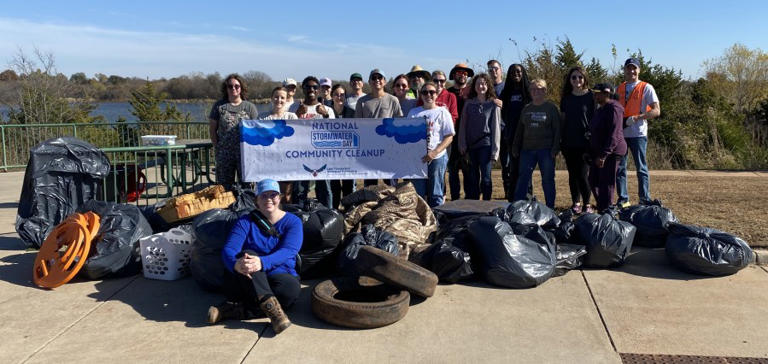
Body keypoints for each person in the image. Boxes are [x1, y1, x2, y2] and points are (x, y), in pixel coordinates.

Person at [208, 179, 302, 335]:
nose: (269, 199)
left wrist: (262, 262)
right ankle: (273, 311)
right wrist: (235, 264)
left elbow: (289, 250)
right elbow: (229, 249)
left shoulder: (293, 222)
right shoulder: (245, 221)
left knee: (290, 290)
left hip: (278, 273)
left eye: (273, 195)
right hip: (248, 277)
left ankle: (231, 310)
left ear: (280, 197)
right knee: (248, 255)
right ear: (256, 200)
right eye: (263, 196)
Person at [616, 57, 660, 207]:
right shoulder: (619, 88)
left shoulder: (646, 87)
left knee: (641, 168)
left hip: (638, 134)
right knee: (620, 168)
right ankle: (623, 200)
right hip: (621, 134)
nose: (631, 71)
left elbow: (656, 111)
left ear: (639, 70)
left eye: (634, 68)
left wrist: (637, 118)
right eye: (628, 68)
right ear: (624, 70)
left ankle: (644, 199)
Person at [510, 79, 561, 209]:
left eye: (539, 89)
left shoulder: (551, 108)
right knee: (523, 178)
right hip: (527, 150)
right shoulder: (526, 109)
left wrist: (555, 148)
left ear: (545, 91)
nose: (536, 92)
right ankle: (518, 207)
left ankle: (550, 207)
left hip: (546, 150)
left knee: (548, 179)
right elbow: (519, 130)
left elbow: (557, 130)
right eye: (533, 89)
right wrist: (515, 146)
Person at [407, 82, 455, 207]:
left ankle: (437, 216)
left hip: (437, 157)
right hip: (417, 159)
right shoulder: (413, 113)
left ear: (436, 94)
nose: (428, 95)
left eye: (432, 92)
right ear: (421, 95)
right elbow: (408, 136)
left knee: (436, 192)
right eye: (425, 92)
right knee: (418, 193)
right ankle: (421, 217)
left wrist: (434, 152)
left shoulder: (442, 112)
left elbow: (449, 136)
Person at [209, 74, 259, 190]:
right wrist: (217, 147)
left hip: (245, 154)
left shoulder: (250, 107)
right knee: (224, 187)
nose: (233, 88)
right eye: (230, 86)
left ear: (241, 88)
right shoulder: (219, 106)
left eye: (237, 86)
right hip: (225, 153)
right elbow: (212, 129)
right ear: (226, 88)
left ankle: (246, 202)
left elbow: (256, 129)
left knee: (247, 186)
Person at [356, 69, 403, 187]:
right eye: (374, 78)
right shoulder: (362, 101)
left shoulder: (393, 100)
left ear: (385, 81)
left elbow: (399, 123)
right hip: (370, 149)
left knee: (391, 185)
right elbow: (357, 125)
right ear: (369, 82)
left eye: (380, 78)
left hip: (389, 149)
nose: (377, 80)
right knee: (370, 186)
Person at [294, 76, 335, 208]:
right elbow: (288, 130)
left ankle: (327, 214)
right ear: (303, 89)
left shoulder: (327, 110)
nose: (311, 89)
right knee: (300, 189)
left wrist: (325, 116)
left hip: (321, 154)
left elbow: (334, 132)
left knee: (325, 189)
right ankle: (299, 215)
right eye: (308, 87)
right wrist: (297, 114)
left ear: (319, 90)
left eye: (315, 87)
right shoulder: (295, 108)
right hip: (301, 154)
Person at [458, 73, 501, 200]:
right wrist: (462, 144)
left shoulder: (493, 104)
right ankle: (474, 204)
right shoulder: (469, 103)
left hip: (486, 145)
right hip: (471, 146)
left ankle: (486, 203)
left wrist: (495, 151)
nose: (481, 86)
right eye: (478, 84)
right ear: (474, 86)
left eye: (483, 83)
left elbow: (496, 128)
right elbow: (463, 126)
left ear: (488, 85)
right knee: (473, 177)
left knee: (486, 178)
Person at [560, 66, 595, 214]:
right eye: (573, 77)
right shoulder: (566, 98)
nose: (577, 80)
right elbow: (563, 120)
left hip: (586, 143)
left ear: (585, 78)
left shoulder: (592, 96)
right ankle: (576, 202)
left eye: (580, 77)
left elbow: (596, 119)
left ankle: (587, 203)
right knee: (572, 175)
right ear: (570, 80)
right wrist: (560, 140)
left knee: (583, 175)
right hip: (569, 142)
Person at [588, 84, 627, 211]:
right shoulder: (600, 109)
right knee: (593, 180)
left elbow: (614, 134)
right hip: (599, 151)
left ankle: (607, 211)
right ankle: (602, 206)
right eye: (594, 93)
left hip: (612, 152)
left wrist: (604, 155)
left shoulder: (615, 108)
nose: (595, 95)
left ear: (606, 93)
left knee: (607, 183)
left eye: (598, 93)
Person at [258, 86, 299, 203]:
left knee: (286, 195)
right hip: (267, 162)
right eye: (276, 97)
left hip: (287, 162)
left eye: (282, 97)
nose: (279, 100)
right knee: (269, 193)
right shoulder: (262, 117)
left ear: (286, 99)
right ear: (271, 98)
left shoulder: (292, 117)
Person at [499, 64, 533, 201]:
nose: (516, 74)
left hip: (528, 137)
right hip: (512, 136)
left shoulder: (529, 91)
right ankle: (513, 198)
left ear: (523, 73)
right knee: (513, 169)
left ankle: (527, 198)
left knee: (526, 169)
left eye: (518, 71)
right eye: (513, 72)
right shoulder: (506, 93)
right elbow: (502, 113)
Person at [446, 63, 474, 200]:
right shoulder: (448, 93)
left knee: (469, 171)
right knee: (453, 171)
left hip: (469, 137)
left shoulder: (472, 92)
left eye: (465, 73)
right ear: (453, 75)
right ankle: (455, 199)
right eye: (459, 73)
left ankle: (469, 200)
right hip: (451, 137)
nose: (462, 75)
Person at [329, 84, 356, 209]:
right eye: (336, 94)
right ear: (332, 96)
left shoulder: (352, 112)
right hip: (331, 154)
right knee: (334, 186)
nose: (339, 97)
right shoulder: (327, 112)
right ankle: (334, 211)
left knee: (348, 186)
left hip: (347, 155)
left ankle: (348, 211)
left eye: (342, 95)